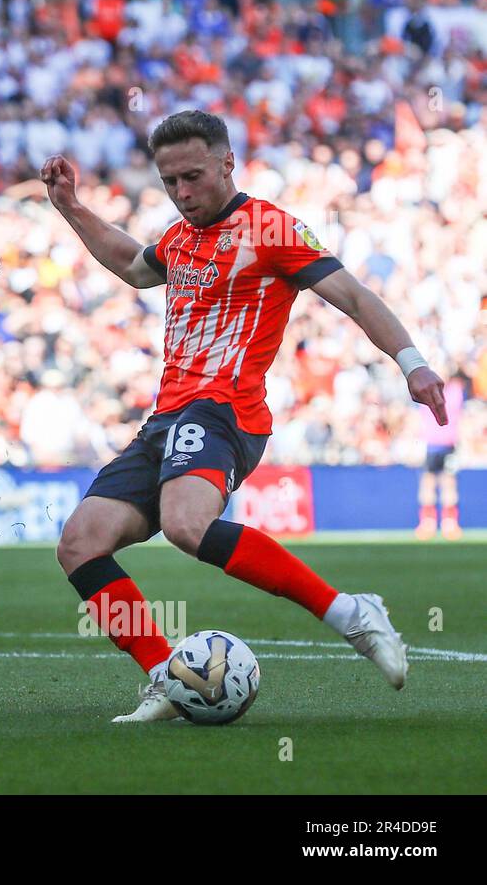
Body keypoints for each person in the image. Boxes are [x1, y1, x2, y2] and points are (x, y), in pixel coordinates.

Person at [41, 110, 446, 722]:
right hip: (166, 419)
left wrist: (412, 363)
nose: (182, 193)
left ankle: (350, 613)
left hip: (227, 409)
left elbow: (356, 296)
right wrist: (71, 207)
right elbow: (130, 264)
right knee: (80, 542)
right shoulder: (180, 239)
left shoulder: (271, 228)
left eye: (193, 177)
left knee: (186, 524)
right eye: (169, 181)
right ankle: (169, 678)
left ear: (227, 163)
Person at [416, 372, 466, 540]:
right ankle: (428, 522)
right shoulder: (427, 389)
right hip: (430, 444)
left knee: (449, 483)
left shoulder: (456, 389)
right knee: (428, 483)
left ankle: (449, 522)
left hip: (449, 444)